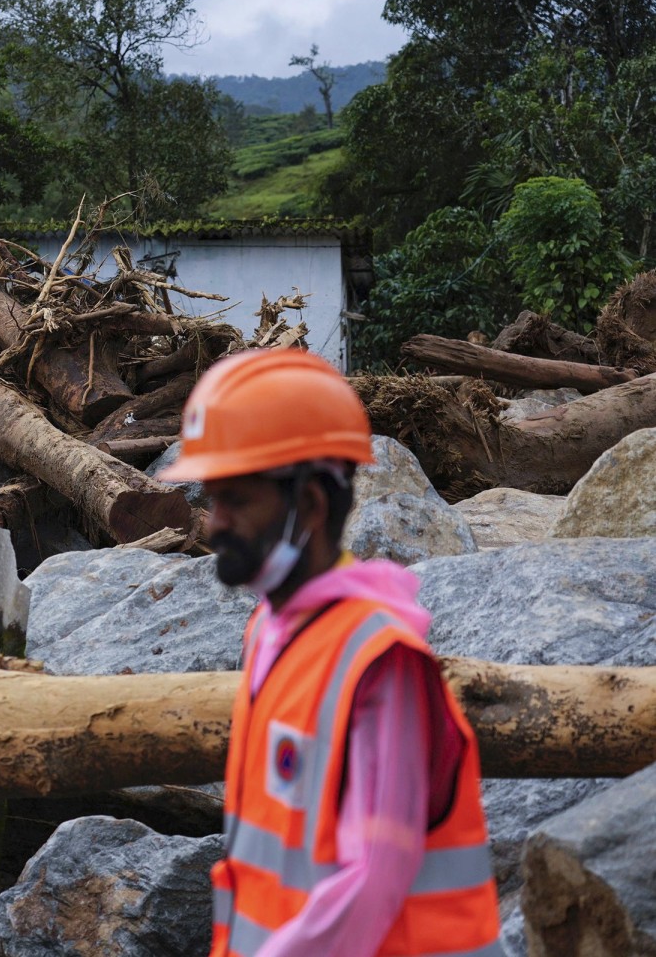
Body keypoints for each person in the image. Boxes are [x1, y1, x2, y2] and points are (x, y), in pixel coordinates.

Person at [157, 349, 503, 957]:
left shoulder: (380, 659)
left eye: (236, 499)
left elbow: (373, 881)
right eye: (212, 500)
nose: (214, 525)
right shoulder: (271, 629)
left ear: (311, 507)